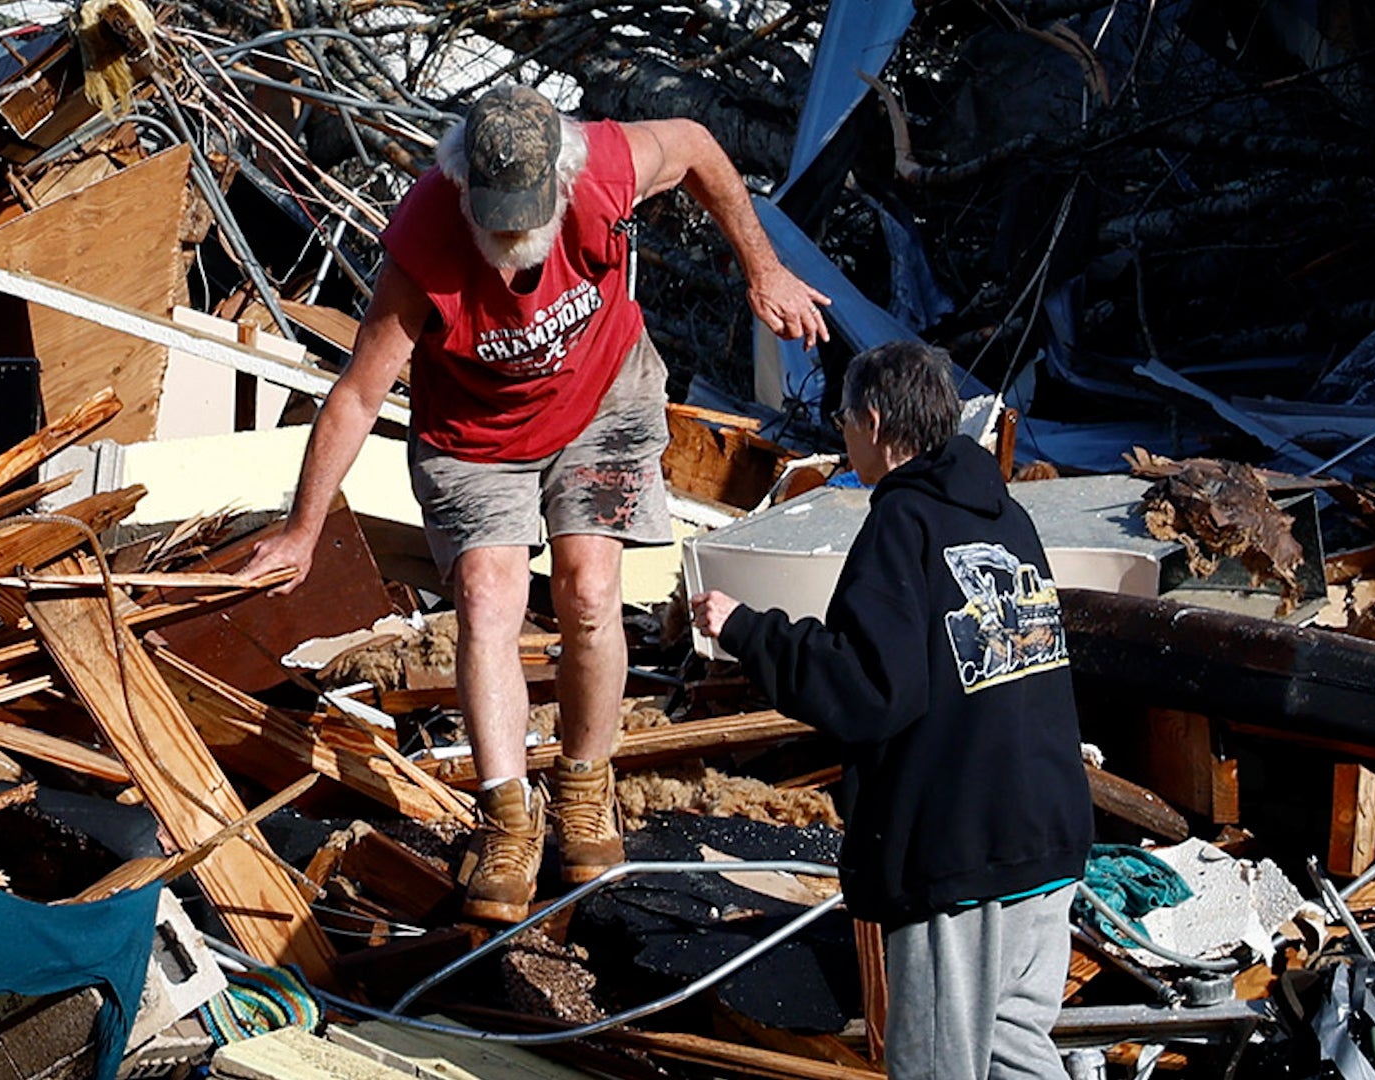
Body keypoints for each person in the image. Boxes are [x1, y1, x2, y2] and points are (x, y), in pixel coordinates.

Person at [241, 84, 830, 924]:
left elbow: (700, 140)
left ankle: (586, 788)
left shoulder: (606, 168)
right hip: (476, 433)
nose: (513, 253)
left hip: (604, 398)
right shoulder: (425, 243)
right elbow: (358, 396)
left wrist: (764, 269)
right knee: (486, 601)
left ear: (561, 183)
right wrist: (303, 530)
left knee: (590, 591)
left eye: (527, 228)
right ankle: (508, 817)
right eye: (498, 230)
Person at [690, 340, 1091, 1080]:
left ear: (873, 421)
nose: (842, 434)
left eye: (843, 419)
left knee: (939, 1066)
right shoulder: (1009, 521)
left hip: (961, 849)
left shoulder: (901, 526)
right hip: (1049, 836)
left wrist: (748, 629)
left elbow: (872, 690)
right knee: (1014, 1053)